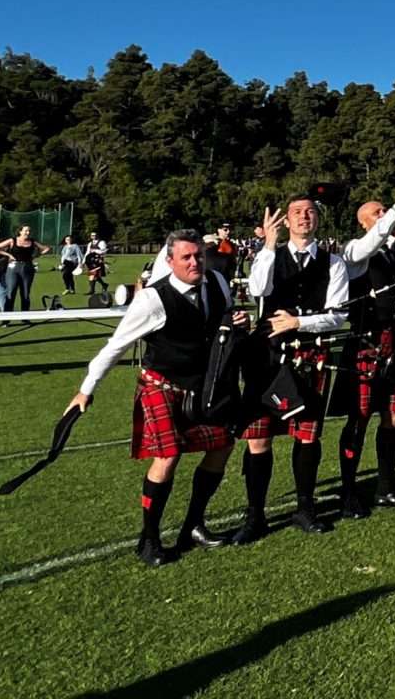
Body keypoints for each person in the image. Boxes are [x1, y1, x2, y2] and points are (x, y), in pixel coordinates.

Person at [67, 230, 246, 566]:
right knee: (167, 457)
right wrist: (86, 390)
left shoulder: (218, 283)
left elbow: (226, 319)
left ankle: (193, 525)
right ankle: (149, 538)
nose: (195, 263)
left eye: (199, 256)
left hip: (204, 386)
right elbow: (116, 346)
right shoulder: (153, 299)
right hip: (161, 386)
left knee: (222, 446)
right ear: (170, 261)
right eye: (186, 258)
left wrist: (237, 320)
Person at [233, 194, 350, 543]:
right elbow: (258, 289)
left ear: (318, 220)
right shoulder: (268, 256)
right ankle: (255, 516)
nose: (303, 217)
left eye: (310, 212)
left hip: (310, 356)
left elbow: (339, 314)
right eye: (297, 212)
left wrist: (299, 322)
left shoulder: (334, 263)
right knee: (259, 438)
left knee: (308, 435)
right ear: (286, 220)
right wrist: (269, 245)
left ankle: (305, 508)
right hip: (265, 358)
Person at [333, 186, 395, 517]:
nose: (383, 214)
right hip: (367, 343)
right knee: (358, 419)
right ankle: (348, 493)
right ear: (363, 223)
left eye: (383, 209)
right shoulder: (355, 252)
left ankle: (387, 488)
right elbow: (375, 239)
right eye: (376, 212)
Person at [0, 226, 52, 311]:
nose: (28, 232)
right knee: (11, 293)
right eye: (26, 231)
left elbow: (47, 248)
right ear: (20, 231)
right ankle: (7, 319)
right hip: (13, 268)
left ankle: (25, 317)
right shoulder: (12, 240)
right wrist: (8, 255)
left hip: (28, 268)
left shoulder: (32, 241)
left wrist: (37, 255)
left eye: (29, 231)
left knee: (25, 294)